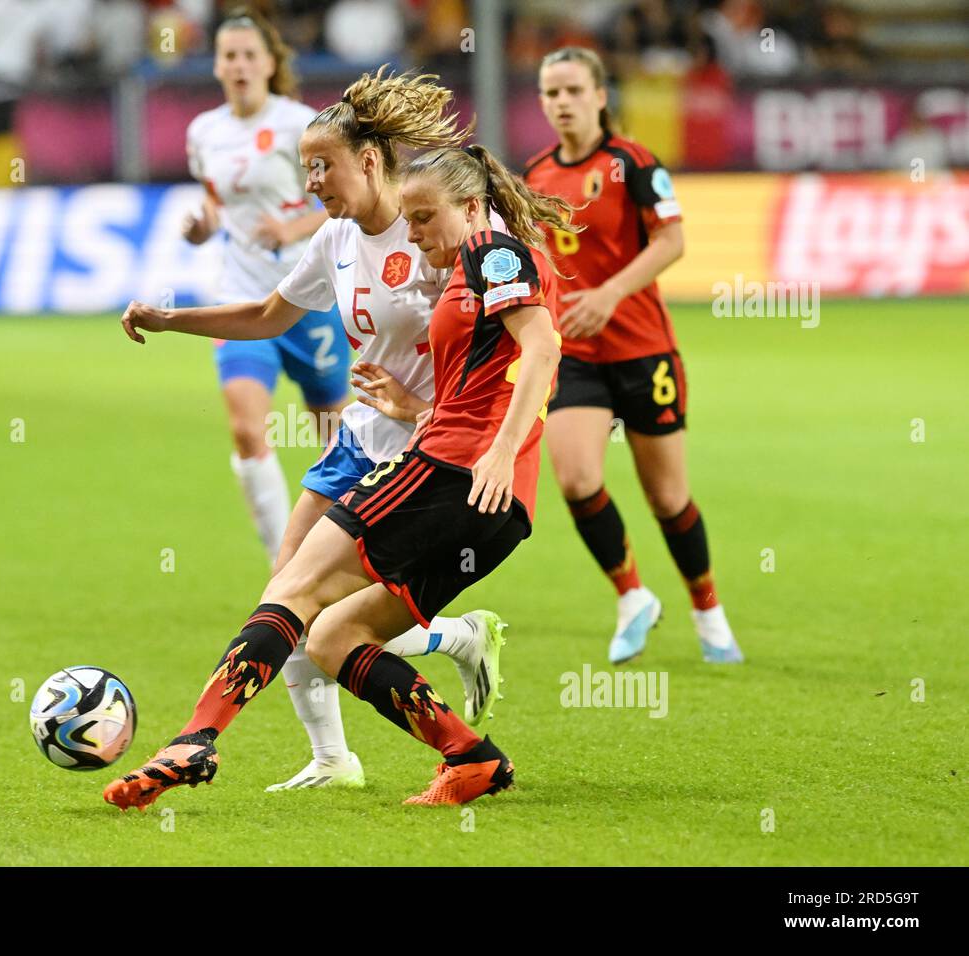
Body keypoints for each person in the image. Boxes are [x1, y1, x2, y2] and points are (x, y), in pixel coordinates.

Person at [106, 142, 569, 809]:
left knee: (294, 583)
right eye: (407, 218)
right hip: (498, 508)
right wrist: (427, 414)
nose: (412, 234)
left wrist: (499, 448)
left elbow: (544, 346)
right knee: (333, 636)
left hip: (448, 473)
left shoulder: (495, 255)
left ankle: (194, 739)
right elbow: (489, 375)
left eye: (425, 218)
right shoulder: (475, 261)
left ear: (472, 207)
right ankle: (469, 755)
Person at [523, 46, 743, 664]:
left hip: (644, 351)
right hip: (576, 354)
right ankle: (631, 597)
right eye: (550, 92)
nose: (560, 102)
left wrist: (611, 293)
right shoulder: (535, 175)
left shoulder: (634, 162)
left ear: (599, 96)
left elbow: (672, 240)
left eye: (572, 90)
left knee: (668, 498)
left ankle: (708, 611)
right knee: (576, 478)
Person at [182, 9, 348, 566]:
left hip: (309, 297)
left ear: (270, 63)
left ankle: (337, 559)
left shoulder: (303, 124)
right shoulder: (204, 132)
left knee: (336, 438)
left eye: (250, 55)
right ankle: (286, 565)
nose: (239, 65)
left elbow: (339, 205)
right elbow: (216, 201)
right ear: (217, 65)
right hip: (240, 299)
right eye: (229, 55)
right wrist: (203, 224)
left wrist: (291, 229)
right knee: (247, 430)